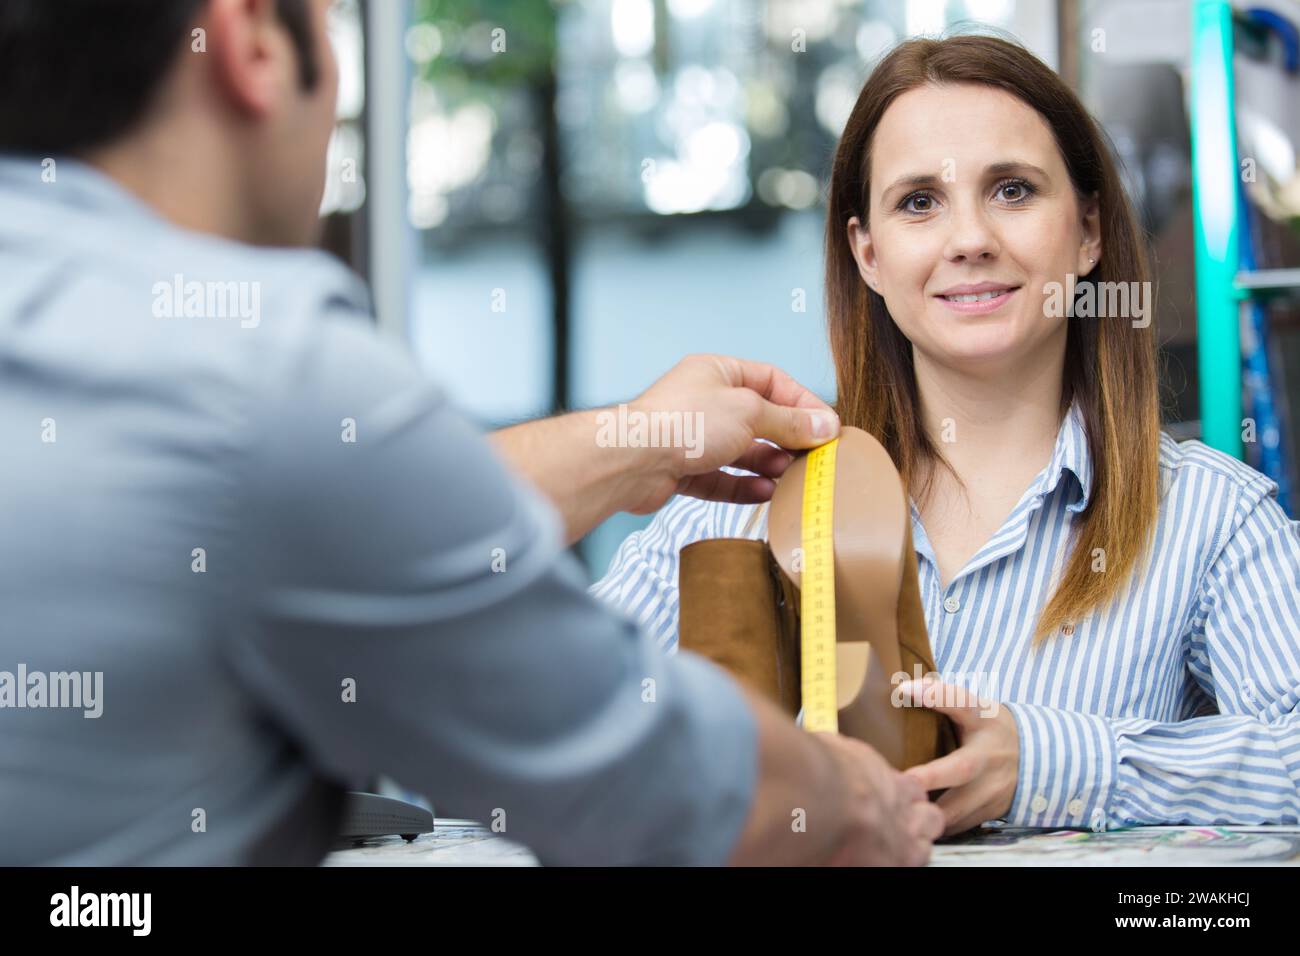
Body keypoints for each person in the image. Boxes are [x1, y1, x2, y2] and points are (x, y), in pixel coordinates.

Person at [0, 0, 944, 865]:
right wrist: (849, 789)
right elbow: (657, 778)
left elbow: (347, 523)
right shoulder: (264, 369)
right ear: (252, 41)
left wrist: (640, 439)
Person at [593, 33, 1300, 836]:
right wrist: (623, 450)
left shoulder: (1212, 519)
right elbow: (519, 727)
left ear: (1090, 231)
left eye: (1013, 190)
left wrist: (1049, 764)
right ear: (867, 253)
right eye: (919, 202)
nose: (970, 239)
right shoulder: (737, 503)